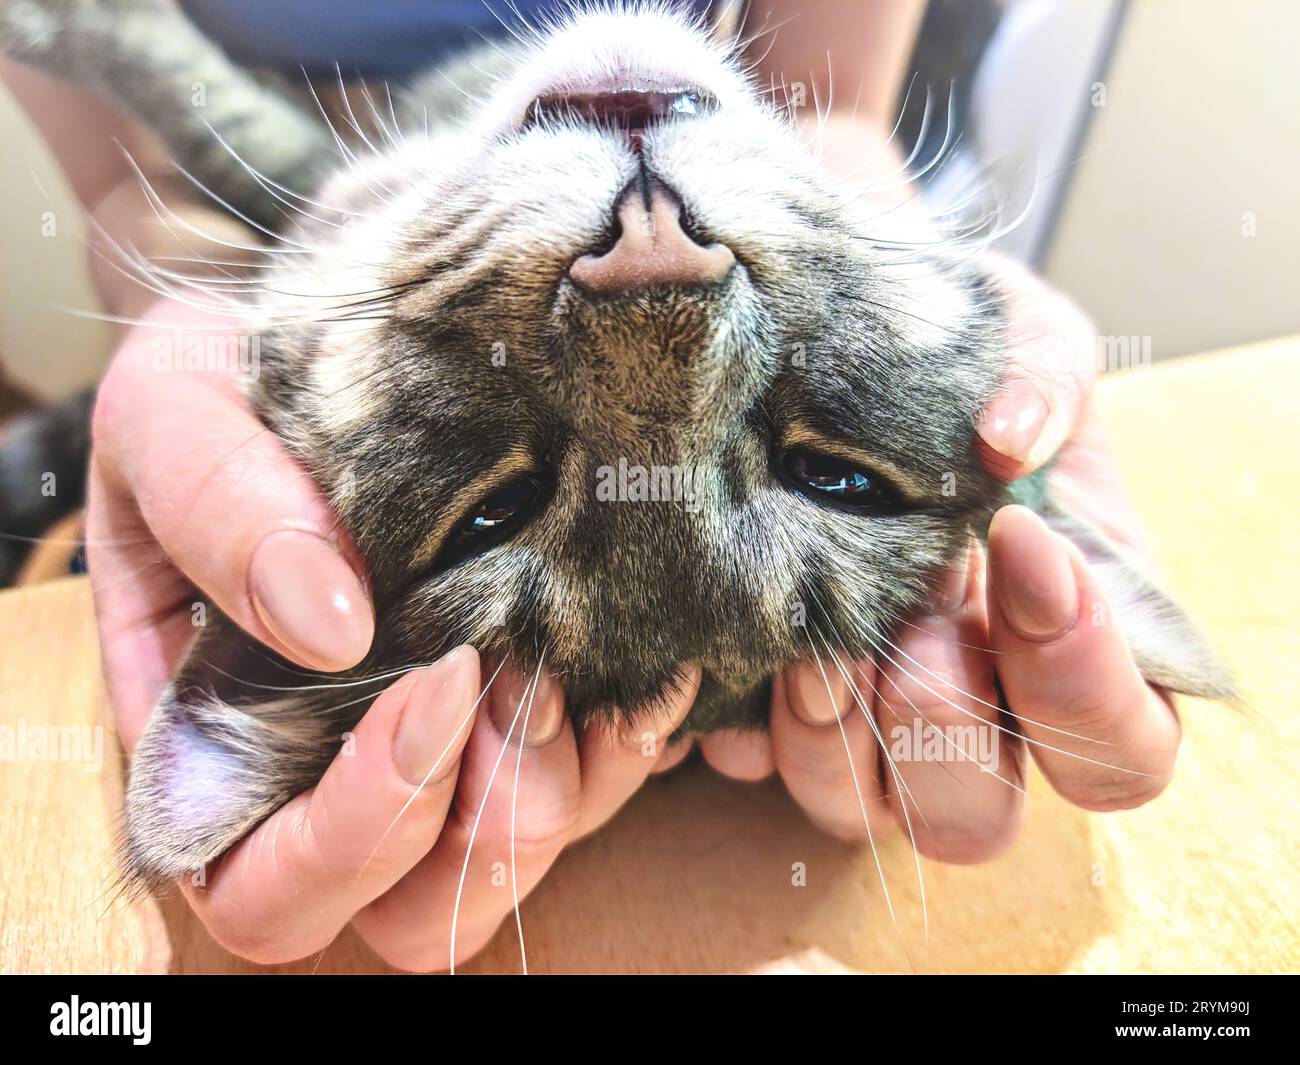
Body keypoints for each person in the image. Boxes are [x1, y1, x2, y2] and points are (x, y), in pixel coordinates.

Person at [0, 0, 1181, 970]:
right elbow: (825, 114)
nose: (654, 284)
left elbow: (138, 200)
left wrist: (207, 335)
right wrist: (1027, 479)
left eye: (497, 513)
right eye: (830, 474)